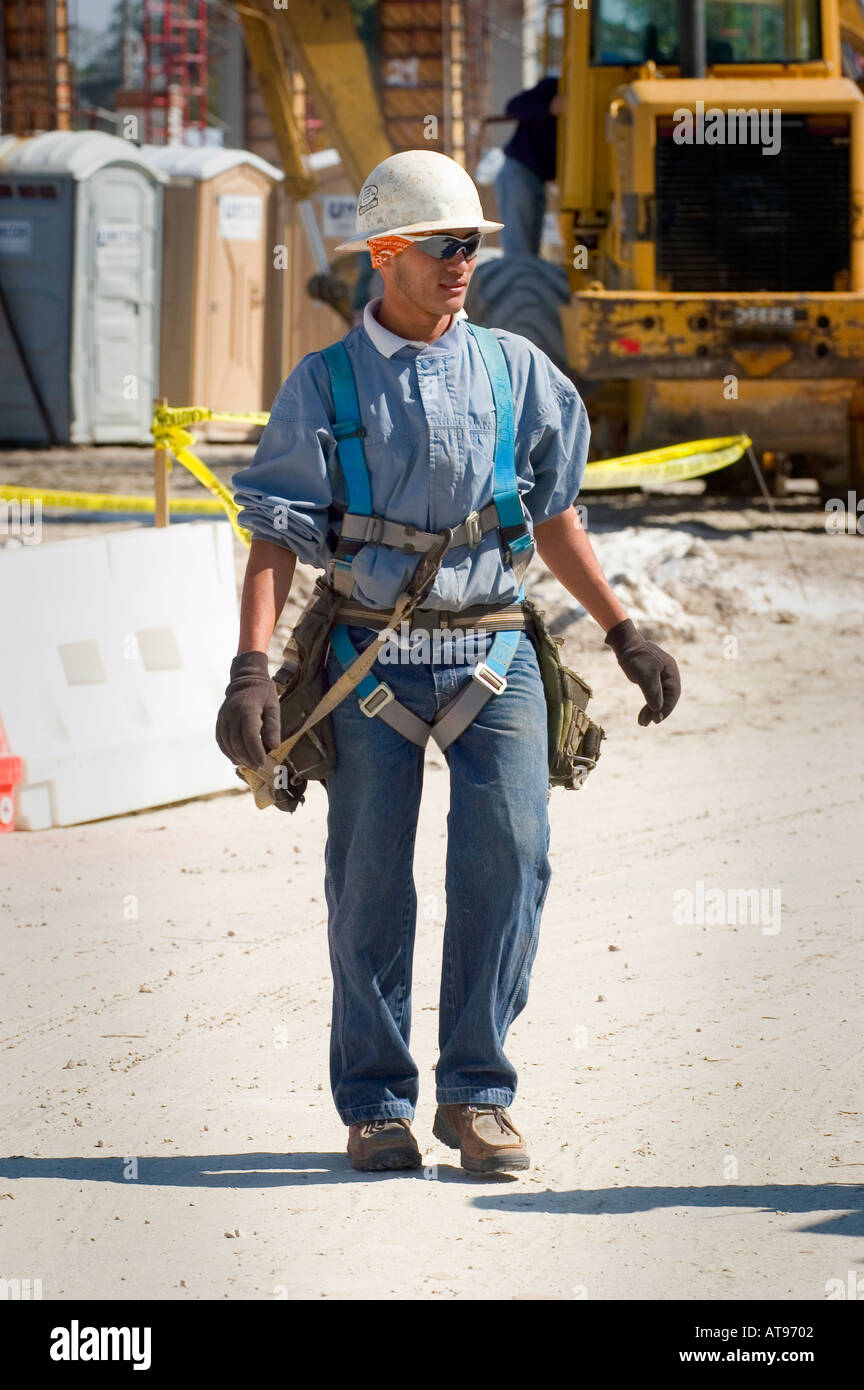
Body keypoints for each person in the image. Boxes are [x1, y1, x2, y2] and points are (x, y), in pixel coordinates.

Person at [215, 150, 680, 1175]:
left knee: (509, 854)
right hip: (368, 658)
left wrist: (622, 630)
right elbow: (275, 537)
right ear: (386, 255)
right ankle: (376, 1101)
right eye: (443, 246)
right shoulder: (324, 385)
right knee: (370, 879)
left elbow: (553, 514)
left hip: (495, 652)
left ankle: (477, 1094)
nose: (463, 262)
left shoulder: (518, 372)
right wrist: (251, 669)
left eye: (471, 244)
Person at [494, 74, 561, 255]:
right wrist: (549, 107)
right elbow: (512, 107)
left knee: (529, 251)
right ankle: (518, 282)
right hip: (520, 173)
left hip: (537, 180)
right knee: (519, 250)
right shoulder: (553, 88)